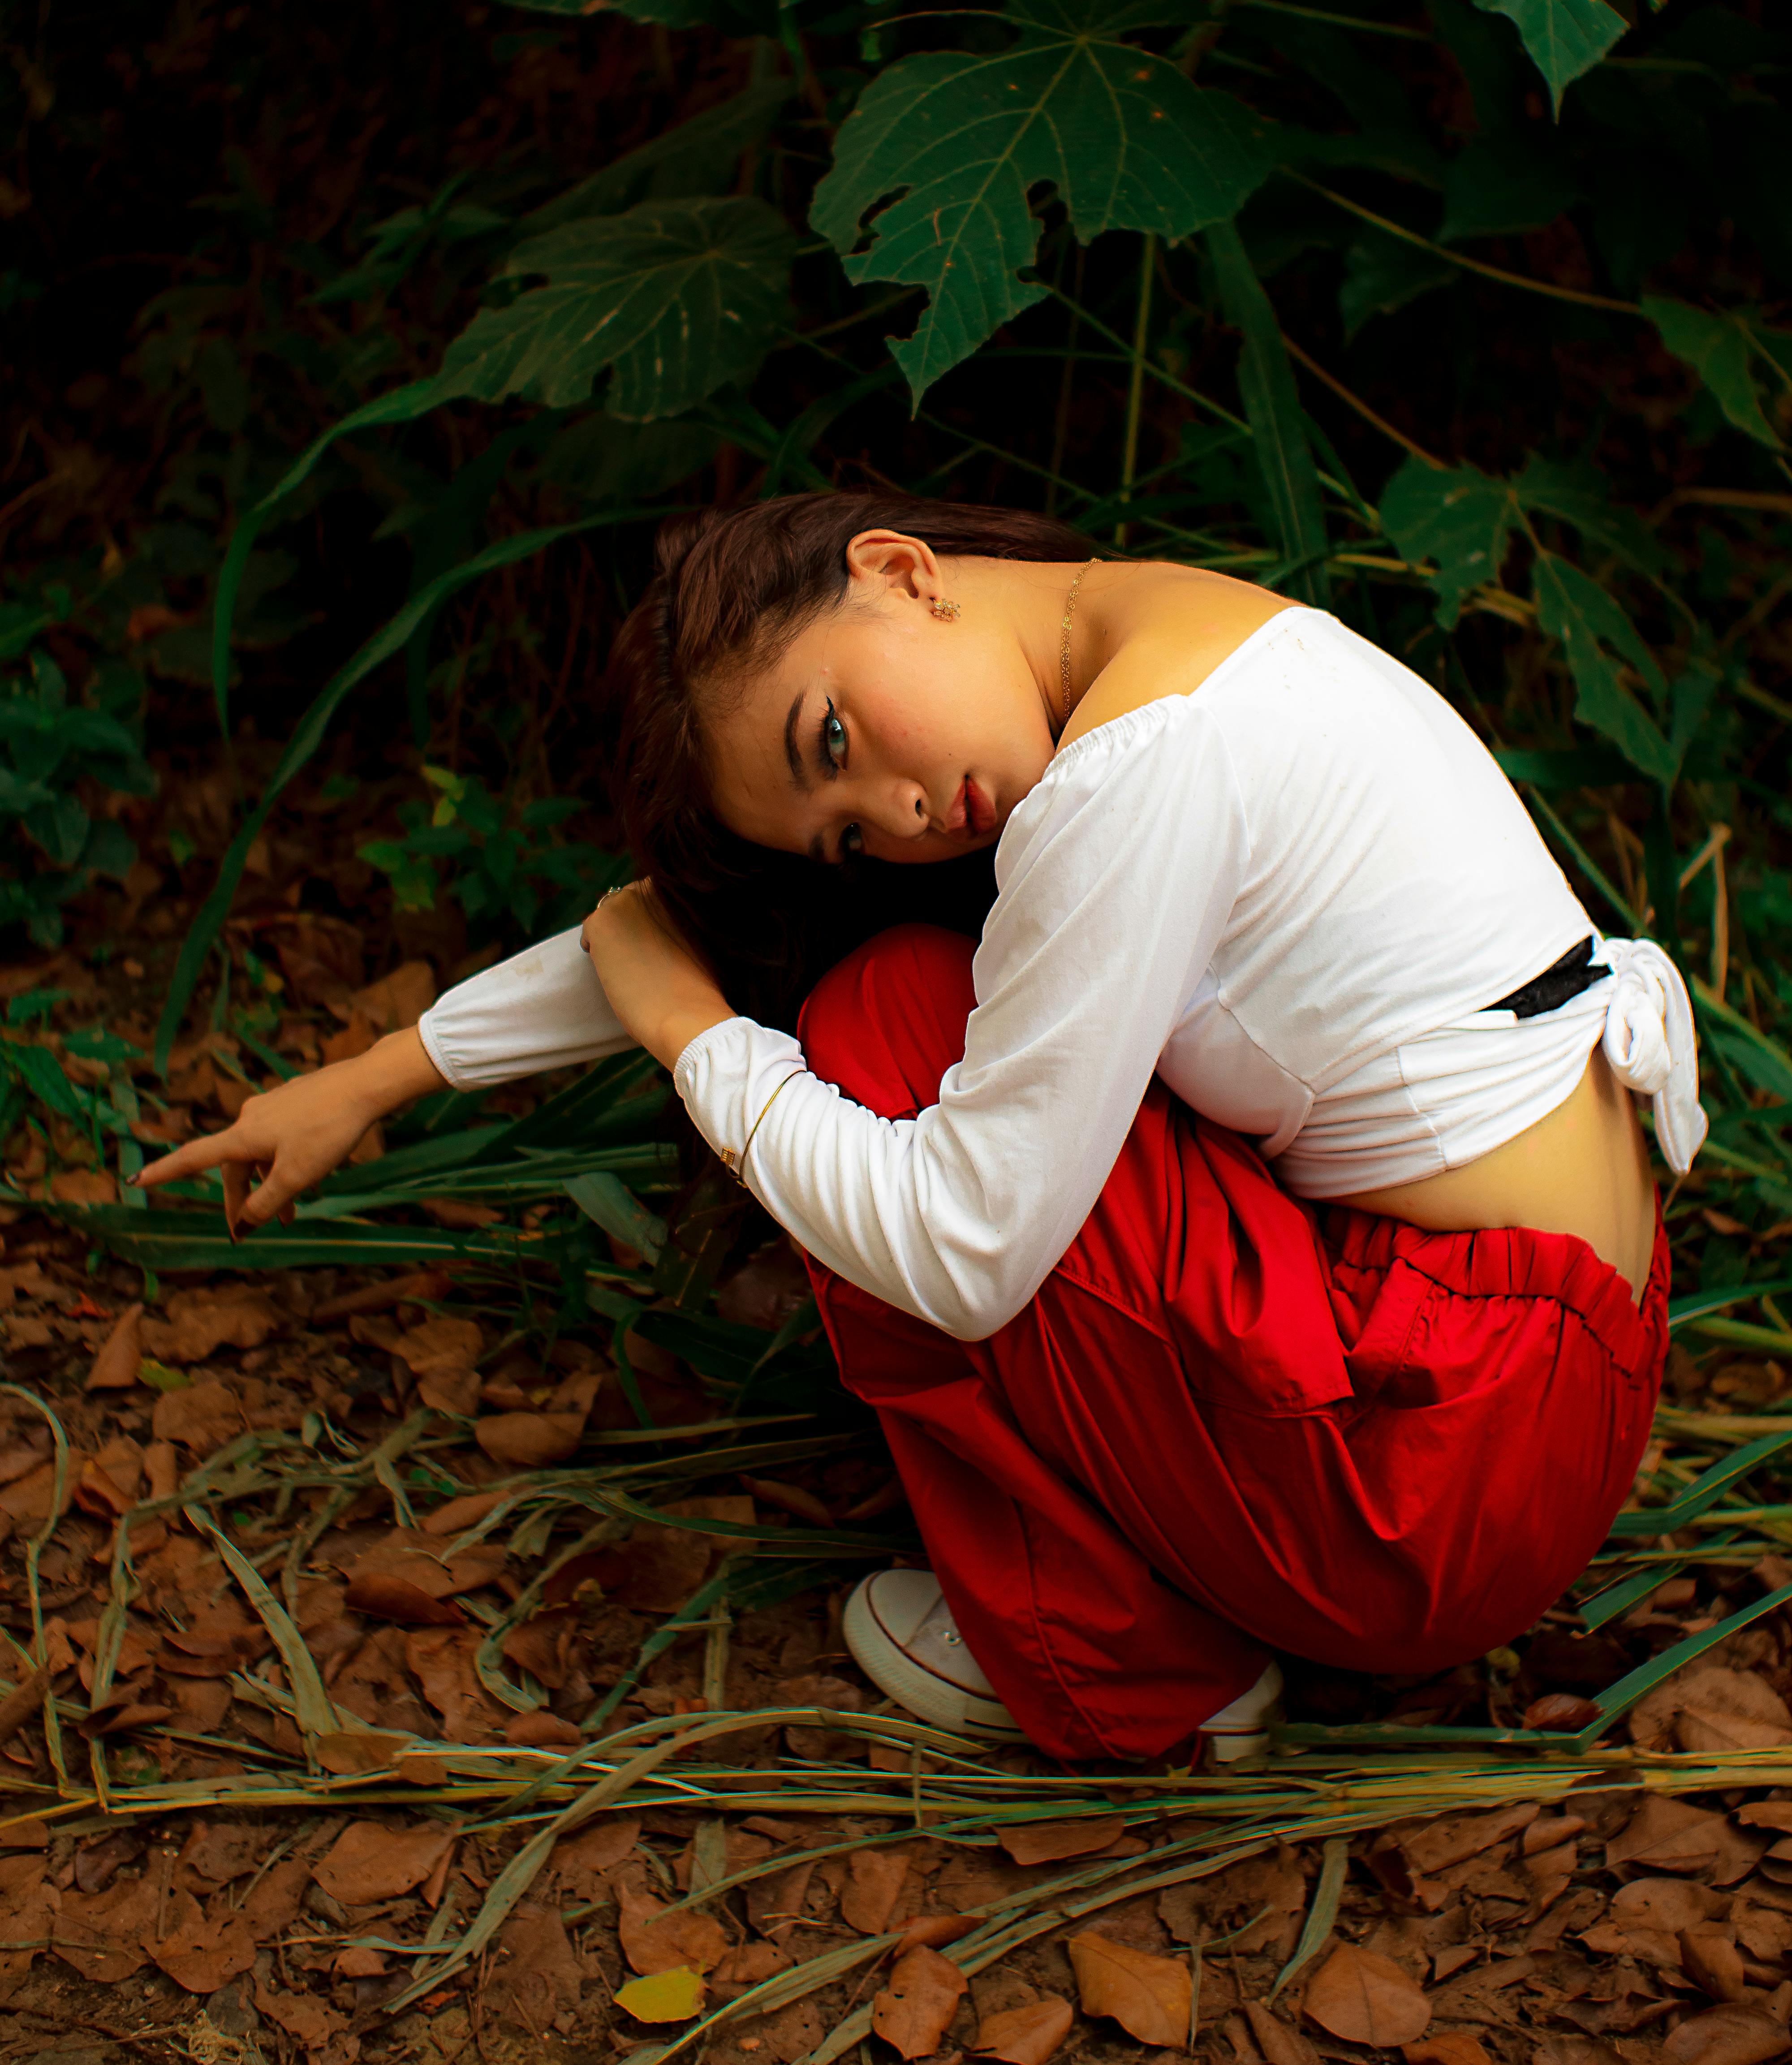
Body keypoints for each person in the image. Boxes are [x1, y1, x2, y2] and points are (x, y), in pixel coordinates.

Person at [138, 496, 1703, 1767]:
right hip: (1547, 1404)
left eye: (835, 741)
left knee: (891, 1018)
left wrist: (695, 1040)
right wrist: (379, 1075)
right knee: (903, 978)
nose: (889, 815)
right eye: (838, 825)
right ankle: (1183, 1561)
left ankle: (1126, 1656)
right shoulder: (1182, 644)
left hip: (1420, 1478)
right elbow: (685, 931)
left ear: (897, 571)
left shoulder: (1132, 772)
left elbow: (962, 1252)